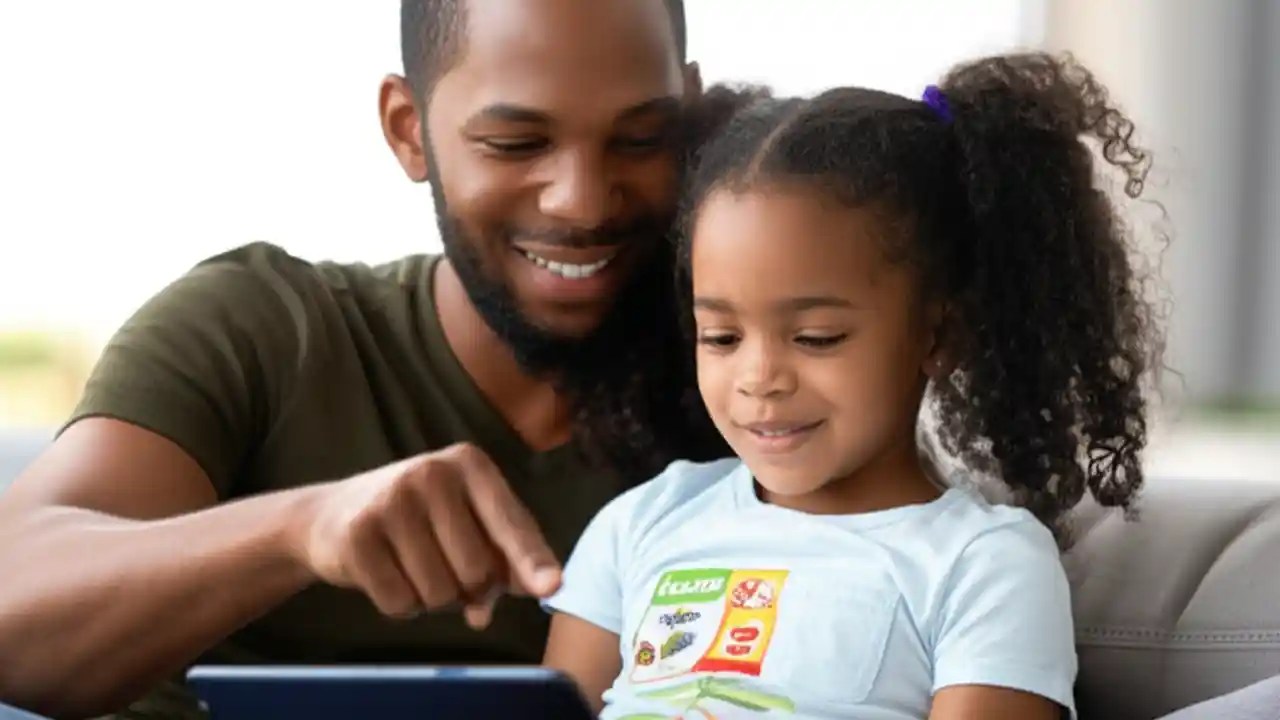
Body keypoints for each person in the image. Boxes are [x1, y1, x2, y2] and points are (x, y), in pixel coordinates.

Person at [0, 1, 740, 717]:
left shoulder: (763, 399)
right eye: (516, 144)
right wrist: (301, 531)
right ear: (408, 129)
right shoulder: (263, 329)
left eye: (642, 138)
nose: (582, 202)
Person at [543, 51, 1161, 719]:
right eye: (721, 337)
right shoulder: (640, 526)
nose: (758, 378)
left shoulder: (982, 565)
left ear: (938, 335)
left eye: (815, 338)